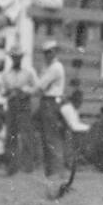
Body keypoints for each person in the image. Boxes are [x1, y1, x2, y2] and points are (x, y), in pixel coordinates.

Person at [0, 47, 38, 175]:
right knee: (11, 135)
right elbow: (1, 91)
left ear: (22, 58)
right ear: (11, 58)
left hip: (24, 105)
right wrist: (9, 92)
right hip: (12, 104)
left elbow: (36, 87)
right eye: (14, 57)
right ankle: (11, 166)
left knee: (26, 135)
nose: (16, 59)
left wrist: (25, 91)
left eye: (18, 57)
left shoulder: (28, 72)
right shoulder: (6, 74)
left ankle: (27, 167)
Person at [35, 40, 68, 180]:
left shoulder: (55, 67)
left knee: (52, 137)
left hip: (51, 102)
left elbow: (40, 85)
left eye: (50, 52)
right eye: (46, 52)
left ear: (55, 52)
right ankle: (51, 171)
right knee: (47, 137)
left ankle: (57, 171)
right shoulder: (47, 67)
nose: (48, 55)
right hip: (46, 101)